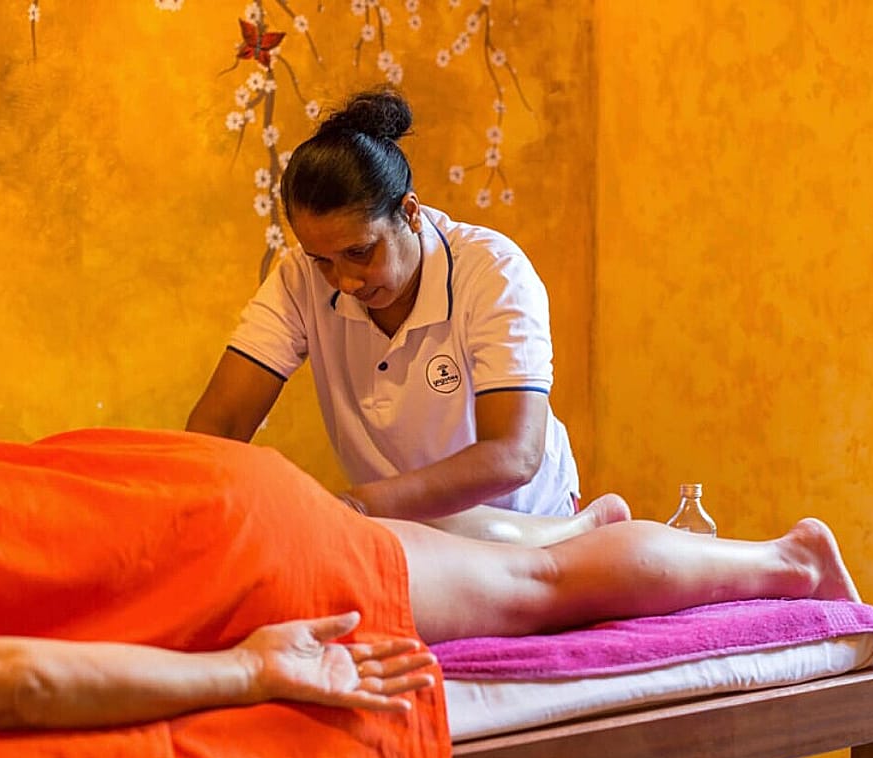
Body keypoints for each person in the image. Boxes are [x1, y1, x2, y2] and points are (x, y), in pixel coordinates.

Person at [0, 428, 858, 736]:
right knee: (532, 560)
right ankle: (584, 528)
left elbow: (29, 679)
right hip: (177, 492)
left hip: (223, 557)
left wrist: (249, 672)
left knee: (543, 584)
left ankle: (788, 563)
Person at [186, 88, 585, 522]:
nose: (345, 281)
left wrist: (356, 507)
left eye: (360, 253)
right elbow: (220, 425)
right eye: (323, 261)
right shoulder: (300, 277)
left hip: (526, 528)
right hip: (404, 535)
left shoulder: (492, 272)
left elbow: (514, 454)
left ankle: (597, 526)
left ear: (410, 213)